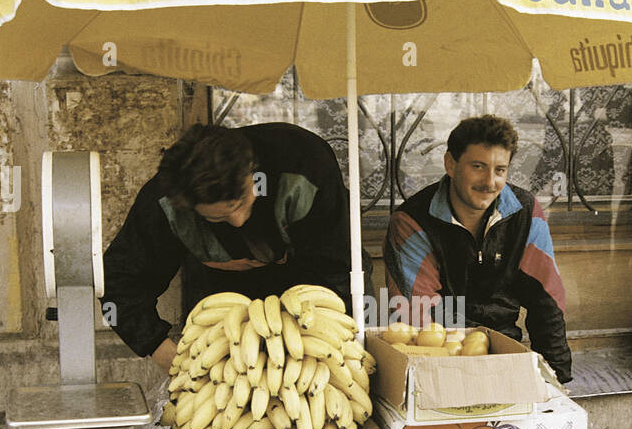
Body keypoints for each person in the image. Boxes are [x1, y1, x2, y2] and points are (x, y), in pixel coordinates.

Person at [103, 122, 365, 373]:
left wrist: (329, 348)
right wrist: (165, 354)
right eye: (217, 219)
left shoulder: (306, 164)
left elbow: (339, 270)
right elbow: (117, 284)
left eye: (241, 202)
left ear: (252, 171)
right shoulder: (162, 203)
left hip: (317, 285)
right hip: (221, 296)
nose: (239, 222)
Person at [383, 115, 573, 384]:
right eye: (478, 166)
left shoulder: (525, 212)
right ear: (451, 164)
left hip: (505, 351)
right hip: (440, 361)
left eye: (500, 170)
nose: (490, 181)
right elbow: (417, 314)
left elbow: (546, 300)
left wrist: (557, 378)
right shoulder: (412, 221)